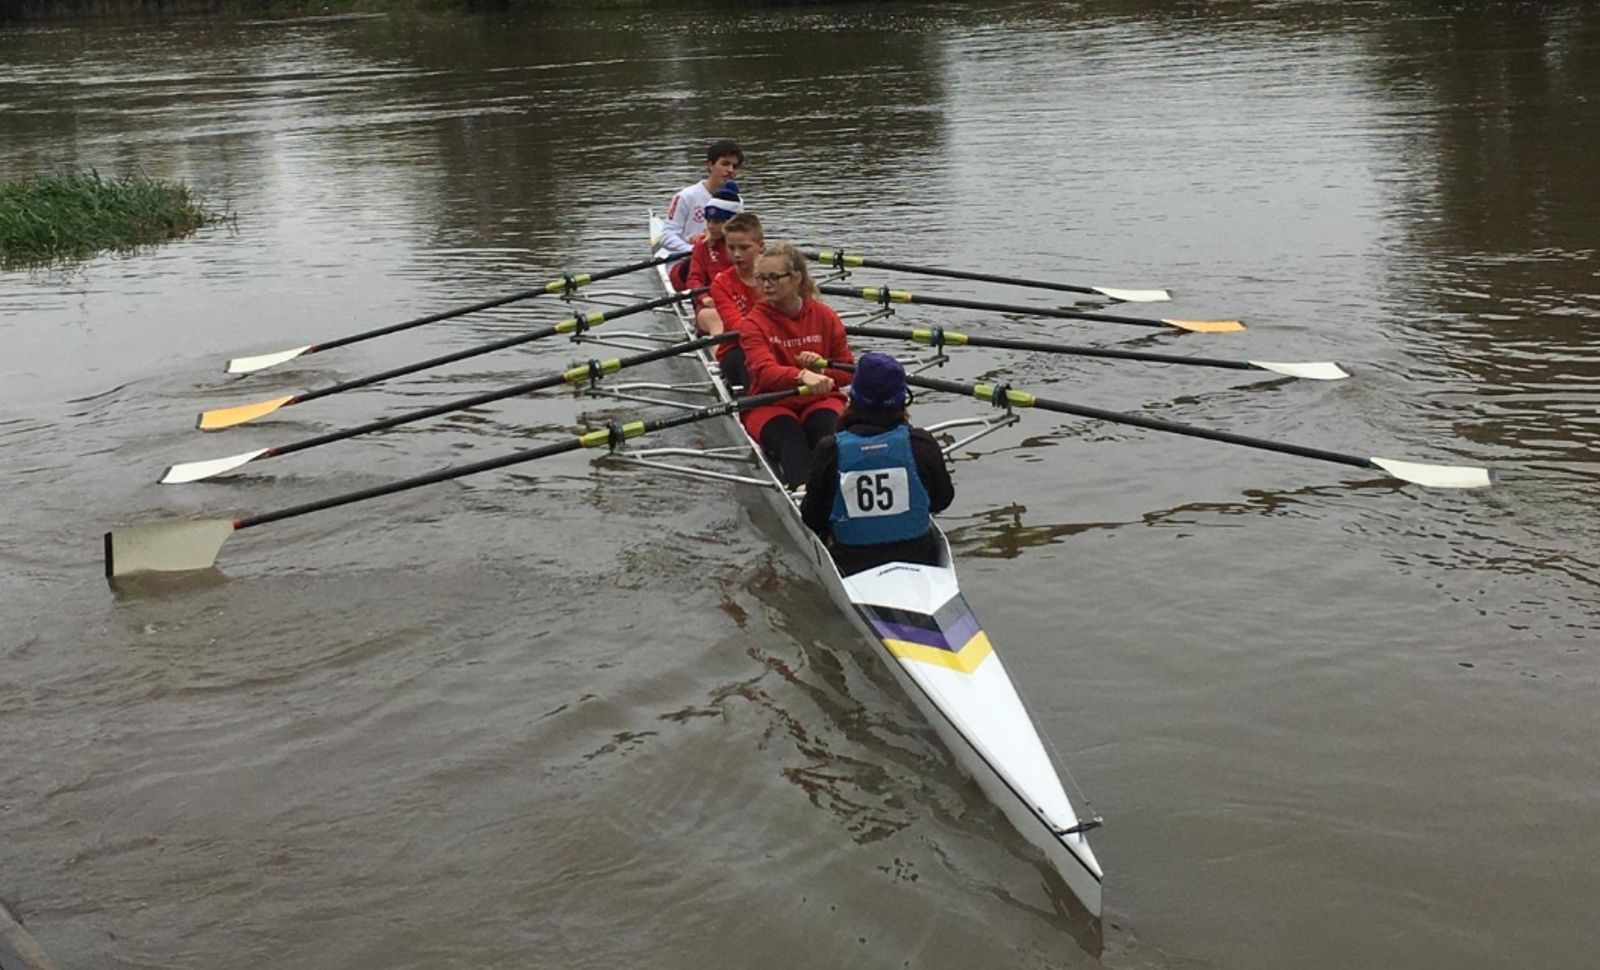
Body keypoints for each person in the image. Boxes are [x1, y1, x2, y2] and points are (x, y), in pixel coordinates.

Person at [801, 352, 955, 575]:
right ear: (903, 398)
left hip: (852, 561)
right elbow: (942, 501)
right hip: (919, 555)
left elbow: (812, 518)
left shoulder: (830, 448)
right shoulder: (921, 443)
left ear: (852, 397)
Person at [738, 242, 854, 489]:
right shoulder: (753, 323)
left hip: (819, 400)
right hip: (769, 402)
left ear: (796, 278)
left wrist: (820, 373)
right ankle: (804, 495)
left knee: (830, 437)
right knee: (791, 441)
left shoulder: (824, 315)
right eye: (761, 278)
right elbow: (763, 372)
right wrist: (802, 375)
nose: (766, 285)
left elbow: (846, 371)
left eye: (774, 278)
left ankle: (843, 491)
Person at [660, 139, 744, 287]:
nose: (730, 170)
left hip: (719, 260)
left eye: (735, 166)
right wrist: (696, 251)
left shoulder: (737, 202)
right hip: (685, 262)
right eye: (725, 164)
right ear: (710, 165)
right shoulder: (686, 197)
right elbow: (667, 236)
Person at [703, 210, 763, 391]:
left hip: (773, 345)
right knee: (748, 360)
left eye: (744, 248)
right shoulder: (721, 283)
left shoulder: (774, 276)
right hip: (736, 350)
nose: (736, 254)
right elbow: (737, 325)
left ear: (761, 246)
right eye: (731, 248)